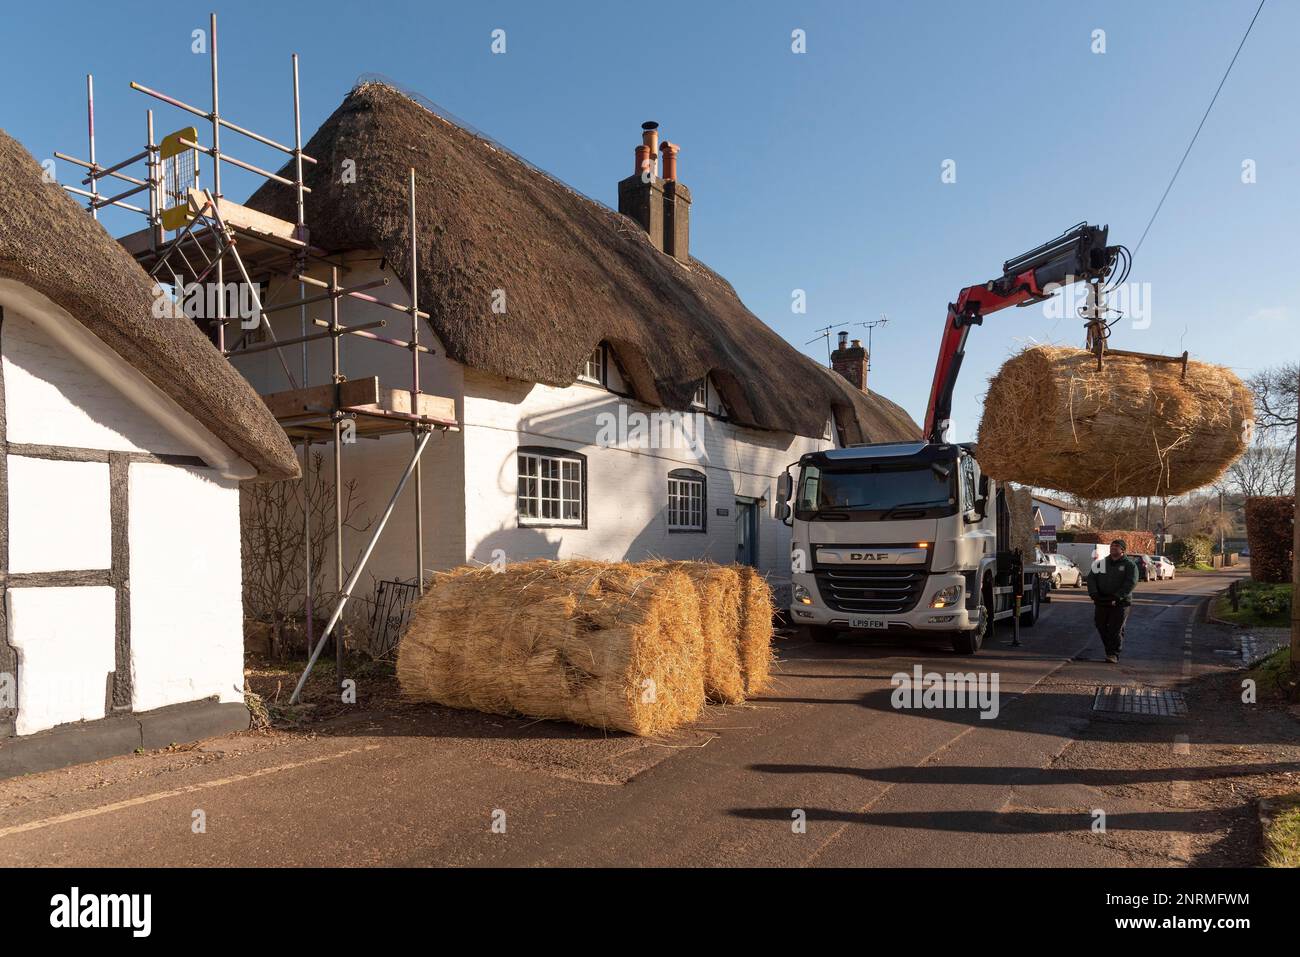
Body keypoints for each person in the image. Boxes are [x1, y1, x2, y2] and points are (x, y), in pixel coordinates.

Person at [1087, 539, 1139, 663]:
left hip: (1120, 602)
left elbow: (1131, 582)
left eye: (1116, 546)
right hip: (1102, 600)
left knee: (1115, 629)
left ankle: (1113, 653)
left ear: (1123, 550)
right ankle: (1109, 649)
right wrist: (1094, 593)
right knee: (1100, 625)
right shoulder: (1102, 563)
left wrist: (1118, 596)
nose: (1113, 548)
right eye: (1112, 546)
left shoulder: (1129, 565)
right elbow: (1091, 578)